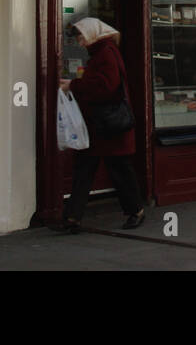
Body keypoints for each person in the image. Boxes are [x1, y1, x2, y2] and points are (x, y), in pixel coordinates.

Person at [54, 17, 145, 231]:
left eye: (81, 36)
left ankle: (135, 211)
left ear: (93, 33)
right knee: (87, 168)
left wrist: (73, 85)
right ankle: (72, 218)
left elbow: (106, 86)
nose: (80, 42)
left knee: (118, 169)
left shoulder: (106, 53)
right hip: (100, 124)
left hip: (109, 125)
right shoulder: (102, 52)